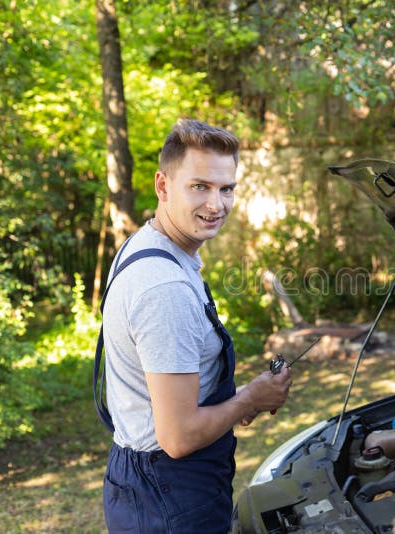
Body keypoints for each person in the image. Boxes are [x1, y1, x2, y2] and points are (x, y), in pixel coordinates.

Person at [94, 118, 292, 533]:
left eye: (226, 188)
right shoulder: (165, 288)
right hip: (168, 493)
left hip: (138, 480)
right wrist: (250, 398)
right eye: (199, 186)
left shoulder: (145, 244)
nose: (217, 205)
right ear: (163, 186)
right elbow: (179, 437)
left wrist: (241, 396)